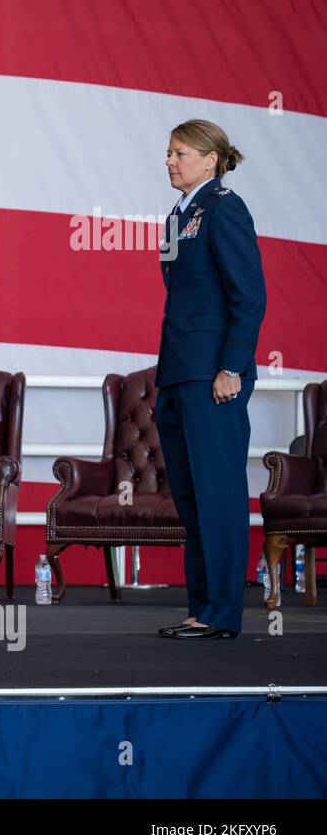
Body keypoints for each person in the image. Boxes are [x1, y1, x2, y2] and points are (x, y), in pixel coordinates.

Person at [154, 119, 266, 640]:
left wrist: (232, 366)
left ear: (211, 159)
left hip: (213, 376)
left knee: (218, 494)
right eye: (170, 152)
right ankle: (202, 610)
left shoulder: (225, 208)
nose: (171, 160)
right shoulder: (180, 216)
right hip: (179, 373)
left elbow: (249, 295)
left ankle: (221, 613)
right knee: (192, 497)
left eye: (181, 152)